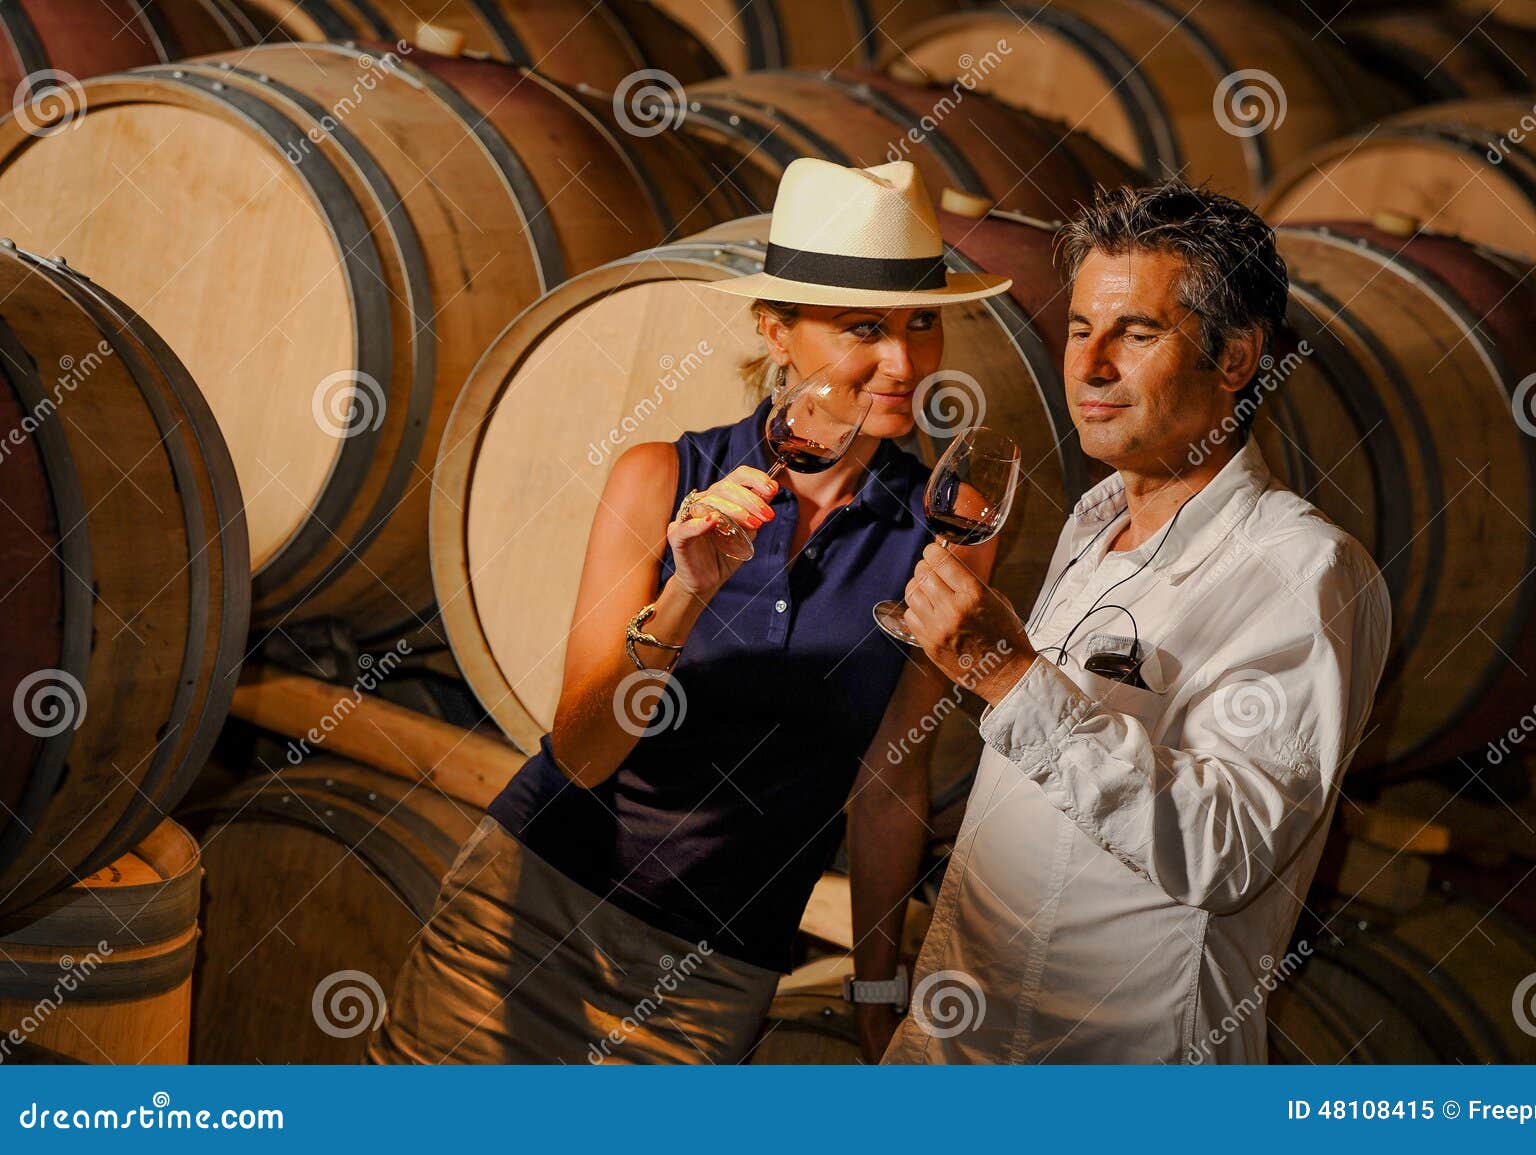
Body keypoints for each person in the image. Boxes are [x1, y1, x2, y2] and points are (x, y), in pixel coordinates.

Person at [363, 158, 1012, 1065]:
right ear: (776, 330)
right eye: (866, 327)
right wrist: (685, 594)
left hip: (713, 977)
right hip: (528, 911)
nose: (904, 361)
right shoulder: (661, 477)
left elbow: (888, 780)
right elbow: (585, 752)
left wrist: (877, 987)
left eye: (920, 324)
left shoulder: (950, 528)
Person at [880, 181, 1393, 1064]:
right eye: (1081, 329)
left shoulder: (1303, 569)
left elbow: (1225, 852)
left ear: (1235, 358)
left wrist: (1009, 676)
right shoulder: (1095, 518)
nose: (1088, 365)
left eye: (1137, 333)